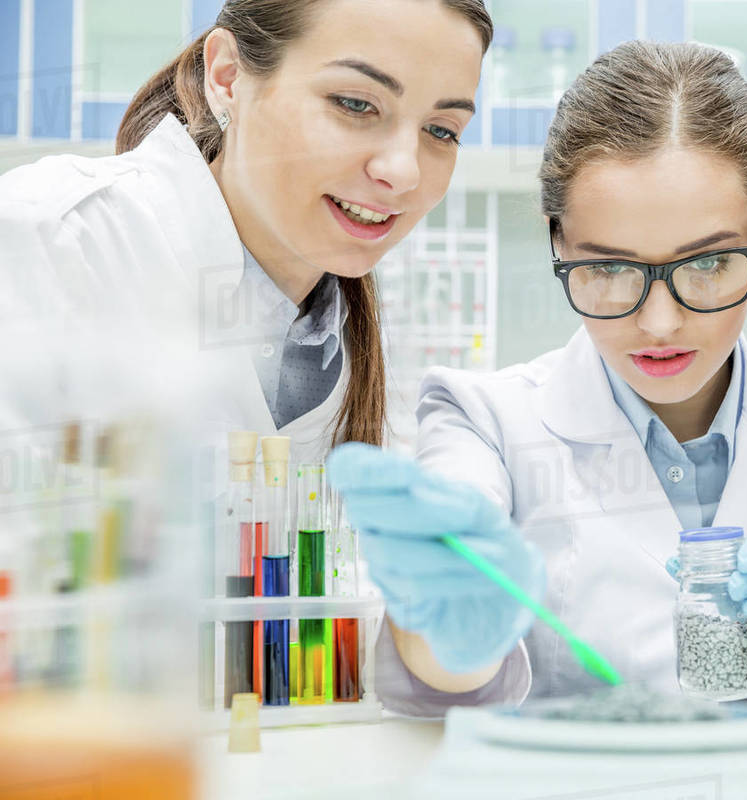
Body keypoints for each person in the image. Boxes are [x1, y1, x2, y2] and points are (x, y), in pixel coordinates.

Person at [328, 41, 747, 717]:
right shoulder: (484, 421)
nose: (658, 322)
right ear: (557, 243)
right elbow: (436, 668)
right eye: (609, 269)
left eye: (707, 265)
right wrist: (452, 622)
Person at [0, 0, 492, 464]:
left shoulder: (338, 346)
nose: (403, 171)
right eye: (355, 104)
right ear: (228, 77)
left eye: (442, 130)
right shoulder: (52, 237)